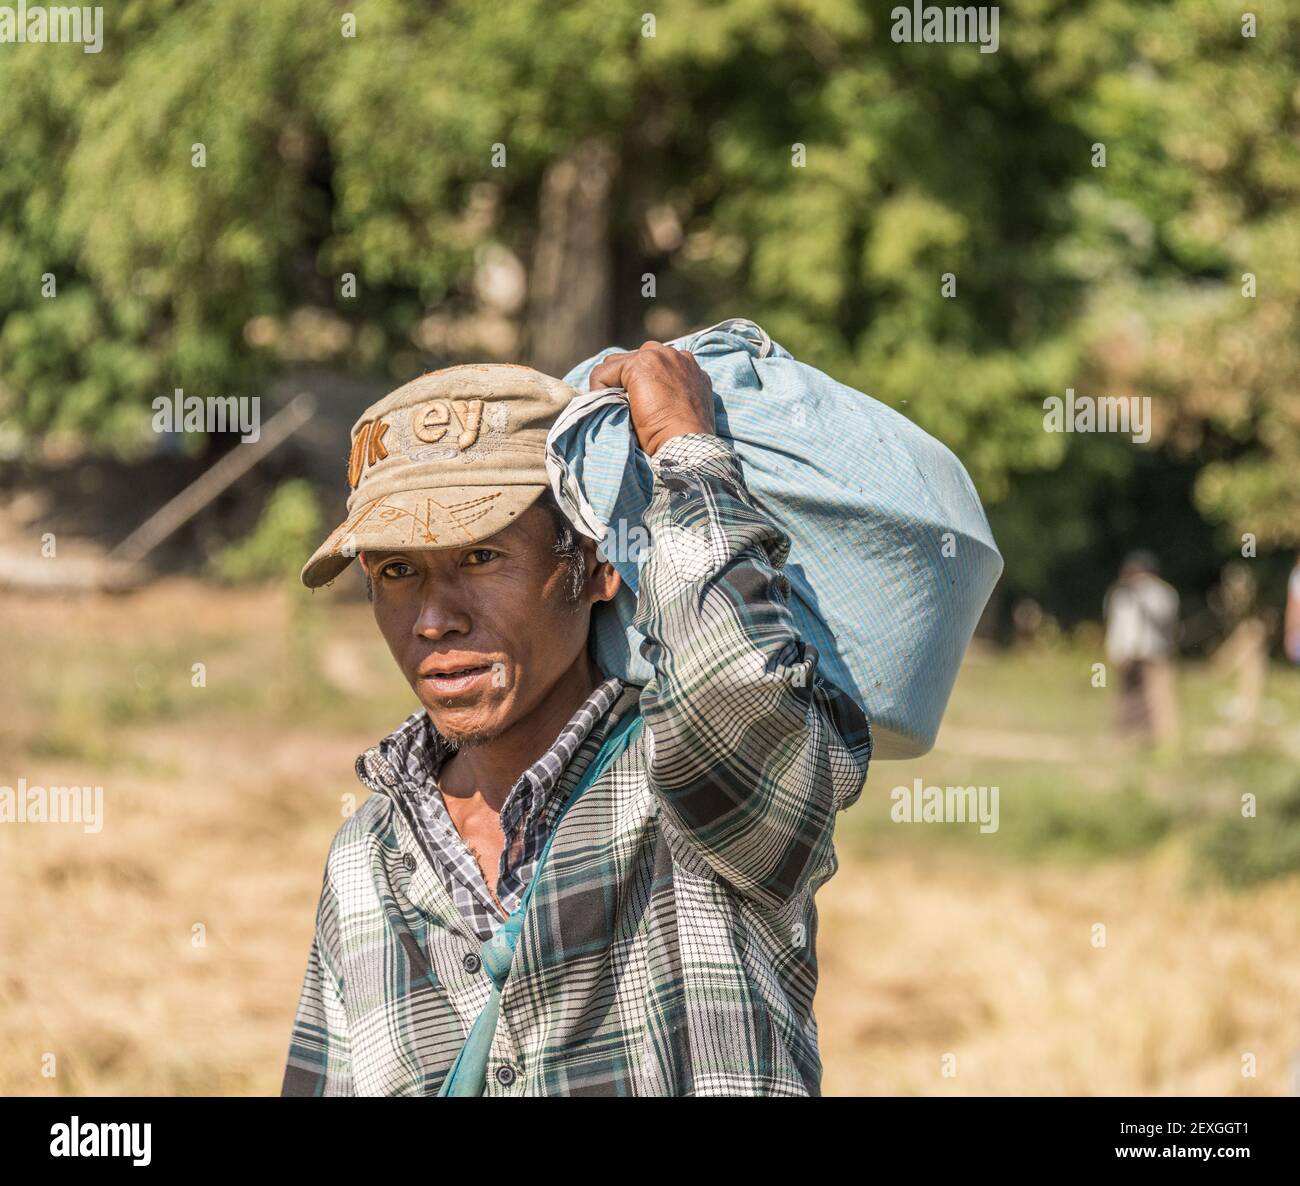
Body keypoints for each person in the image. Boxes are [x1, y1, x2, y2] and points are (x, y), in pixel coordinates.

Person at [280, 345, 872, 1096]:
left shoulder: (684, 797)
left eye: (481, 555)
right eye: (397, 571)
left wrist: (685, 452)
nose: (433, 620)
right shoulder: (366, 860)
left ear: (596, 563)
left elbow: (736, 687)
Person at [1102, 550, 1180, 748]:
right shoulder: (1121, 595)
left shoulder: (1162, 593)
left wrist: (1143, 597)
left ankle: (1165, 739)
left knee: (1157, 697)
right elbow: (1117, 626)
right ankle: (1127, 738)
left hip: (1153, 653)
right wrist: (1114, 651)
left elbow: (1164, 619)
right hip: (1128, 654)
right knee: (1127, 698)